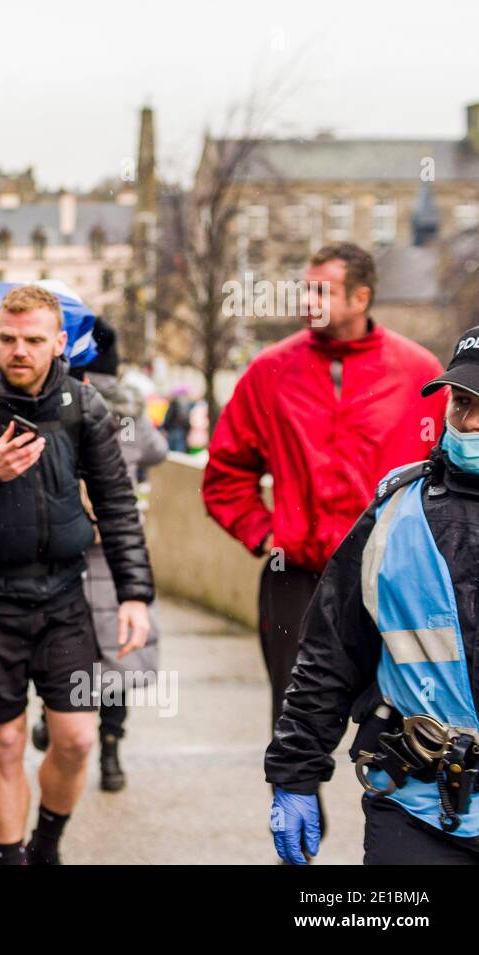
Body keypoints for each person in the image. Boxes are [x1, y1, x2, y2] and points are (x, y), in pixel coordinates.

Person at [0, 286, 154, 865]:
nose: (18, 351)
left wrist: (134, 594)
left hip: (65, 596)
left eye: (34, 340)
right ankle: (13, 859)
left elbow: (117, 501)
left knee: (77, 739)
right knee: (6, 742)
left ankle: (47, 846)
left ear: (60, 342)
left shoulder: (82, 406)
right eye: (8, 339)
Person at [204, 243, 445, 740]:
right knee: (296, 726)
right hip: (295, 579)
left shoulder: (419, 371)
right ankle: (297, 815)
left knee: (404, 731)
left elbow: (447, 470)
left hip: (394, 579)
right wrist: (266, 534)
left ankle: (392, 819)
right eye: (304, 289)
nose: (306, 301)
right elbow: (225, 472)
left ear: (361, 297)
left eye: (322, 291)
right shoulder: (270, 370)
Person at [266, 325, 479, 864]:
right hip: (417, 805)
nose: (470, 422)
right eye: (461, 401)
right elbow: (329, 652)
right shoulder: (396, 511)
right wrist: (295, 773)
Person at [30, 317, 168, 793]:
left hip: (63, 544)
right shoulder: (129, 404)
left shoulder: (61, 398)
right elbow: (158, 452)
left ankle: (55, 719)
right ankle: (111, 750)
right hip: (116, 547)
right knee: (119, 653)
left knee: (61, 645)